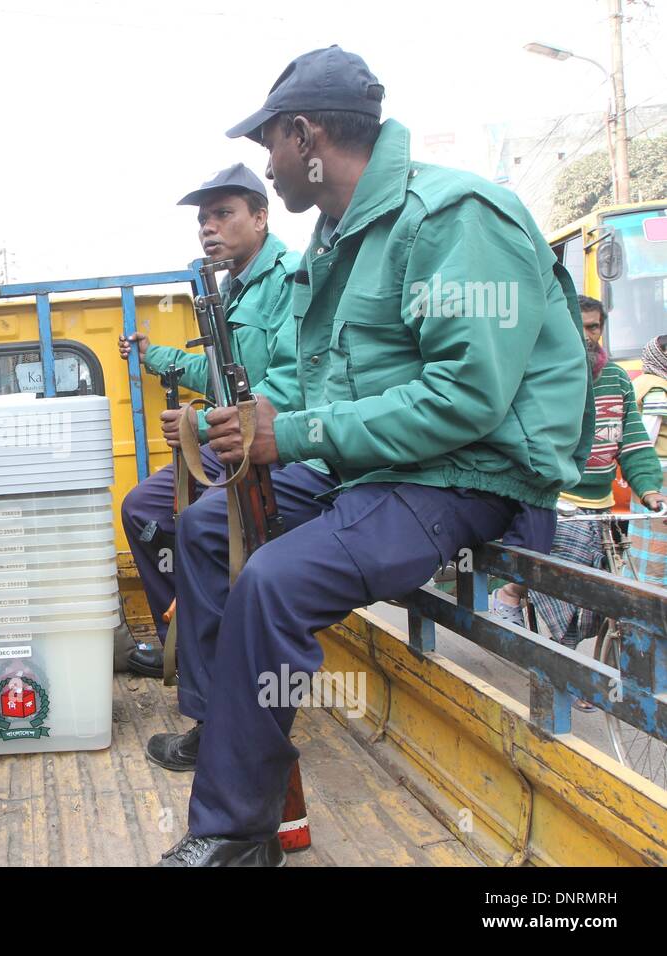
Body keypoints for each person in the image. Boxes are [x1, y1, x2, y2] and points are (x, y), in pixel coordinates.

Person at [151, 46, 591, 867]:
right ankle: (235, 739)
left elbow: (466, 400)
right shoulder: (341, 239)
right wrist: (265, 418)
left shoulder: (454, 217)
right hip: (380, 465)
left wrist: (297, 433)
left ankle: (236, 833)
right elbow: (342, 385)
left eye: (269, 146)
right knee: (209, 529)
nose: (268, 168)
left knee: (270, 585)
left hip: (469, 472)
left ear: (305, 134)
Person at [117, 165, 298, 681]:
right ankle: (180, 638)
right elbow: (218, 371)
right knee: (142, 509)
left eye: (223, 215)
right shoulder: (233, 288)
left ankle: (216, 662)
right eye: (203, 220)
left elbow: (293, 381)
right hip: (232, 448)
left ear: (260, 217)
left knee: (199, 524)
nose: (208, 228)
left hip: (276, 451)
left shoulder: (293, 280)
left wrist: (206, 426)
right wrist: (155, 357)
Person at [491, 299, 666, 654]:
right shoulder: (539, 373)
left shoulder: (617, 379)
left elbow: (633, 443)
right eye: (579, 325)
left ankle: (592, 672)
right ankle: (508, 596)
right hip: (557, 500)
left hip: (601, 509)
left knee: (609, 594)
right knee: (559, 584)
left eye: (594, 327)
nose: (588, 335)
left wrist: (651, 491)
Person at [628, 335, 667, 584]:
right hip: (659, 476)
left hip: (650, 476)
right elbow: (645, 438)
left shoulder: (645, 381)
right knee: (657, 542)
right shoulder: (657, 389)